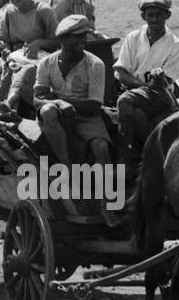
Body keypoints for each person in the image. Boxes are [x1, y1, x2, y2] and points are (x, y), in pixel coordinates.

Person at [34, 14, 119, 223]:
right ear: (63, 40)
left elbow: (94, 105)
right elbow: (38, 98)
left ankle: (106, 203)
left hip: (87, 117)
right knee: (47, 112)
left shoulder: (94, 64)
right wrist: (59, 104)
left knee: (101, 148)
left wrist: (63, 101)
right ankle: (68, 170)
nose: (82, 42)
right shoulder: (46, 63)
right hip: (57, 114)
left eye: (84, 37)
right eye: (77, 38)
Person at [114, 0, 179, 169]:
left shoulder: (176, 45)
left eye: (159, 15)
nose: (154, 19)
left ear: (167, 16)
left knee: (125, 101)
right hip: (135, 90)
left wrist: (158, 79)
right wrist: (144, 85)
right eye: (150, 15)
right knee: (137, 115)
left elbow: (165, 84)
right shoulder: (133, 37)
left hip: (159, 95)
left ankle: (125, 156)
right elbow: (121, 71)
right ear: (143, 17)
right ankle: (151, 158)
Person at [0, 0, 58, 117]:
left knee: (26, 70)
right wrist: (5, 50)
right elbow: (4, 41)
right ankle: (10, 114)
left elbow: (58, 41)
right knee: (11, 69)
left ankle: (10, 104)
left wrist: (38, 43)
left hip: (41, 61)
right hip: (16, 58)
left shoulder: (43, 11)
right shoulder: (9, 12)